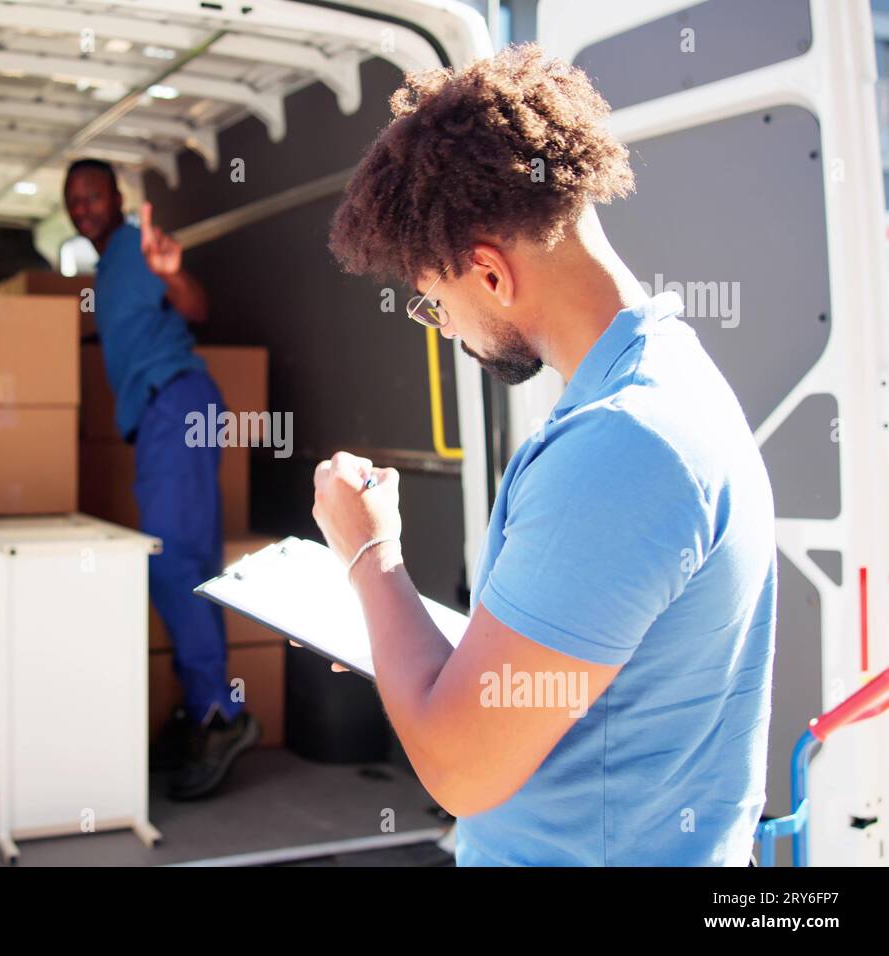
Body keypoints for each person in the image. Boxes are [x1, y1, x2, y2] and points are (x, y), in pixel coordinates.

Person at [313, 44, 776, 865]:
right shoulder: (665, 383)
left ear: (489, 275)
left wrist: (370, 557)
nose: (444, 327)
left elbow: (459, 768)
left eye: (435, 300)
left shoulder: (620, 446)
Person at [63, 158, 260, 800]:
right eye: (74, 200)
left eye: (93, 195)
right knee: (192, 566)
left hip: (177, 405)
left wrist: (173, 276)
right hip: (169, 413)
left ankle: (218, 716)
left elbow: (193, 304)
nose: (84, 207)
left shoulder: (133, 249)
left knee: (173, 565)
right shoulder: (105, 266)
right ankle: (207, 708)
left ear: (116, 198)